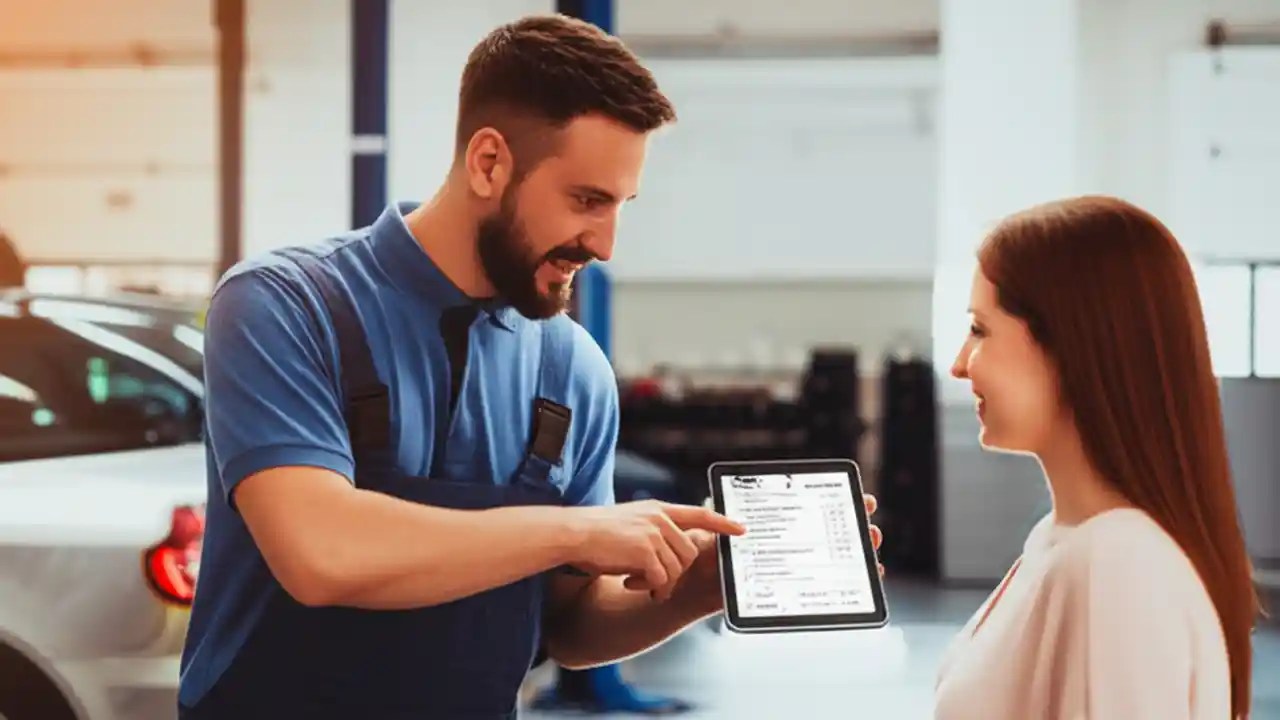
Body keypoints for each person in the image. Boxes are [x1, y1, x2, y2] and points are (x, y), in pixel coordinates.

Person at [178, 14, 881, 719]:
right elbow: (322, 552)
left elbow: (568, 626)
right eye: (586, 201)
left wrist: (701, 588)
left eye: (621, 205)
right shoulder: (283, 305)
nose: (605, 245)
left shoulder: (570, 368)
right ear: (489, 163)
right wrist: (577, 530)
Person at [935, 195, 1263, 719]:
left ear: (1069, 345)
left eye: (979, 329)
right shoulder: (1061, 541)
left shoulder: (1118, 561)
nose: (958, 364)